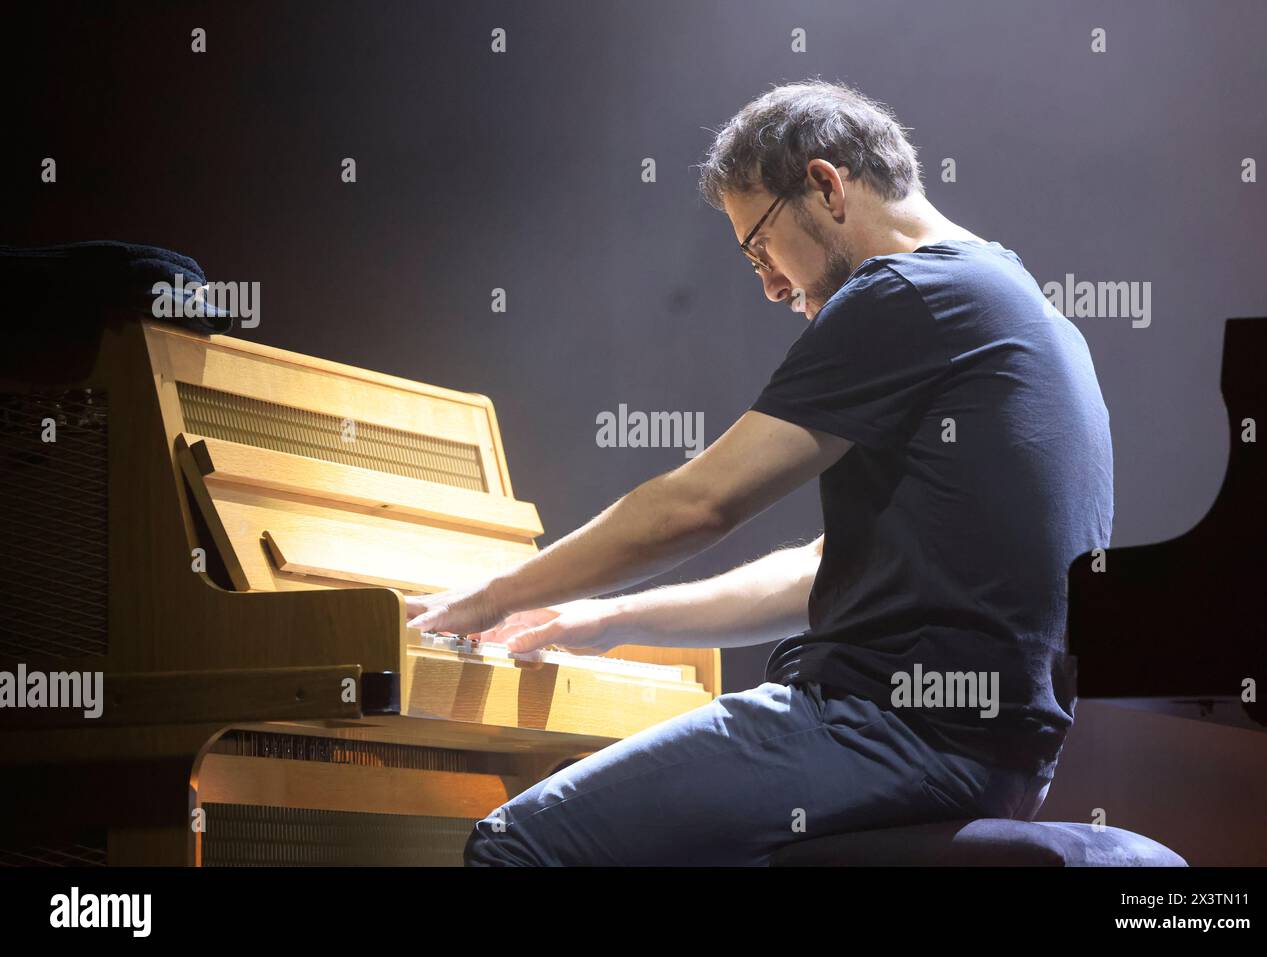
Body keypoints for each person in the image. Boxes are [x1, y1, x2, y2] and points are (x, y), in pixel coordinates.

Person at [406, 78, 1114, 866]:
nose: (774, 285)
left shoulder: (909, 292)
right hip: (991, 759)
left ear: (824, 185)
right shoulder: (1014, 298)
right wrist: (610, 618)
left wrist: (490, 595)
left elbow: (699, 504)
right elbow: (818, 572)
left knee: (513, 844)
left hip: (886, 732)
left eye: (760, 248)